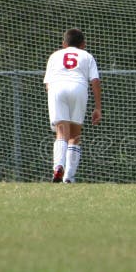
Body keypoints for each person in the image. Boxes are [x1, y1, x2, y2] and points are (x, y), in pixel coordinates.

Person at [43, 28, 102, 183]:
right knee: (74, 136)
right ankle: (69, 177)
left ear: (64, 44)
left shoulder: (54, 56)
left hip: (57, 88)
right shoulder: (87, 56)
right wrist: (98, 107)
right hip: (78, 88)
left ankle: (58, 167)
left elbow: (48, 84)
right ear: (83, 44)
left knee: (61, 133)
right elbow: (95, 81)